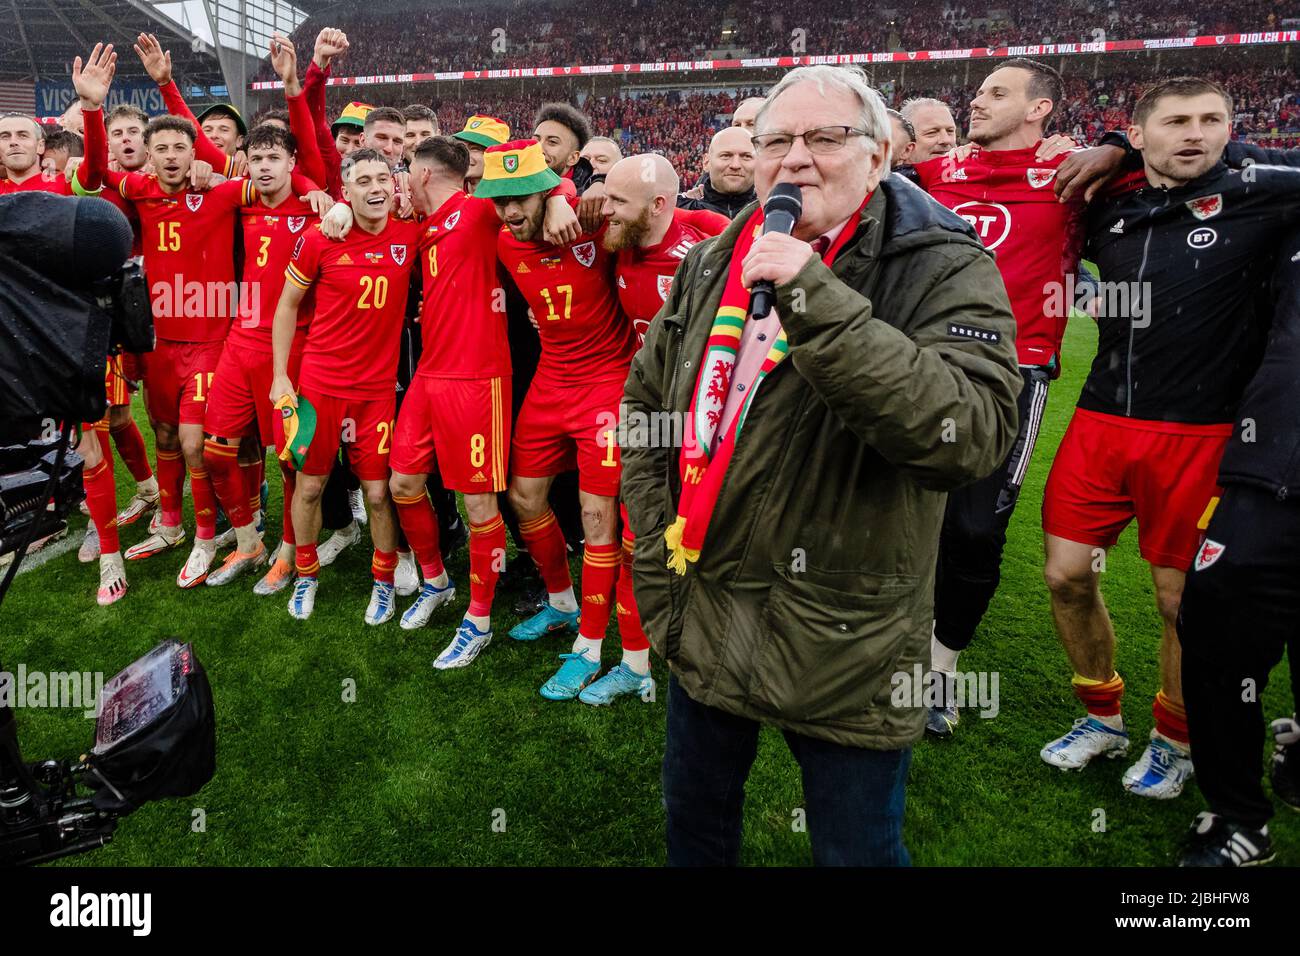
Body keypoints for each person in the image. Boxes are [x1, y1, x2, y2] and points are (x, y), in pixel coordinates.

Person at [622, 64, 1020, 866]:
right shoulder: (713, 261)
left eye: (825, 138)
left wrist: (817, 296)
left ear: (878, 158)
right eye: (777, 140)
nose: (795, 159)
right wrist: (653, 529)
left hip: (845, 630)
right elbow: (645, 407)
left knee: (857, 850)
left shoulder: (940, 260)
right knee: (694, 825)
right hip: (702, 599)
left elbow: (968, 435)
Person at [1038, 77, 1300, 798]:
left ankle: (1175, 735)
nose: (1196, 134)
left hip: (1204, 431)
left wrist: (1123, 144)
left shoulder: (1262, 188)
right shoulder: (1106, 202)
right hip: (1099, 420)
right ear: (1139, 132)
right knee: (1066, 576)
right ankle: (1100, 714)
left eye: (1212, 120)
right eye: (1177, 121)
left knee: (1178, 599)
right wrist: (1113, 152)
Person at [910, 59, 1083, 738]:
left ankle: (939, 673)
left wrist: (1115, 148)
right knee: (902, 516)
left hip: (1014, 374)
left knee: (975, 529)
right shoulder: (938, 174)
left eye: (996, 94)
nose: (977, 103)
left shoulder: (1075, 178)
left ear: (1040, 110)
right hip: (925, 368)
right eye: (977, 92)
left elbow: (1181, 157)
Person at [482, 138, 643, 701]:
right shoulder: (502, 238)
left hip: (606, 383)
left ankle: (592, 649)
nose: (509, 211)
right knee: (524, 497)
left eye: (521, 197)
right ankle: (560, 604)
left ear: (544, 190)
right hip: (550, 381)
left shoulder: (592, 223)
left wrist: (568, 192)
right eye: (500, 201)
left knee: (600, 521)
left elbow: (620, 197)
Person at [1177, 223, 1300, 866]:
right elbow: (1213, 149)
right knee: (1217, 625)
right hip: (1269, 470)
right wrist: (1117, 142)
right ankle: (1237, 816)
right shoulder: (1286, 210)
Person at [270, 148, 420, 624]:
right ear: (346, 191)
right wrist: (280, 375)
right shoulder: (320, 238)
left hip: (376, 393)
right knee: (310, 487)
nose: (375, 188)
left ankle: (382, 579)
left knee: (379, 494)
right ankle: (307, 575)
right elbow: (287, 306)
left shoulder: (410, 232)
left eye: (383, 179)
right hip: (320, 388)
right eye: (363, 181)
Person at [200, 122, 325, 590]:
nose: (265, 167)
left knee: (291, 458)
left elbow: (317, 152)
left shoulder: (315, 208)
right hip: (241, 340)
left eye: (275, 158)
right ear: (246, 164)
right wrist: (167, 84)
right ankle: (249, 541)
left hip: (296, 347)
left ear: (293, 163)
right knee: (215, 452)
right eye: (257, 159)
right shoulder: (241, 200)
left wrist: (315, 189)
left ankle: (289, 553)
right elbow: (204, 156)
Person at [675, 126, 756, 218]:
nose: (735, 165)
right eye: (726, 156)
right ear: (706, 162)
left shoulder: (770, 212)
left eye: (746, 156)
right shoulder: (674, 213)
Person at [452, 114, 510, 193]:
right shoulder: (448, 194)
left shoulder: (506, 200)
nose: (464, 153)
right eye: (462, 147)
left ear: (496, 155)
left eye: (475, 149)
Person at [900, 96, 957, 161]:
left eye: (950, 131)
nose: (946, 140)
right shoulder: (888, 170)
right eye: (932, 132)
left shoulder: (967, 167)